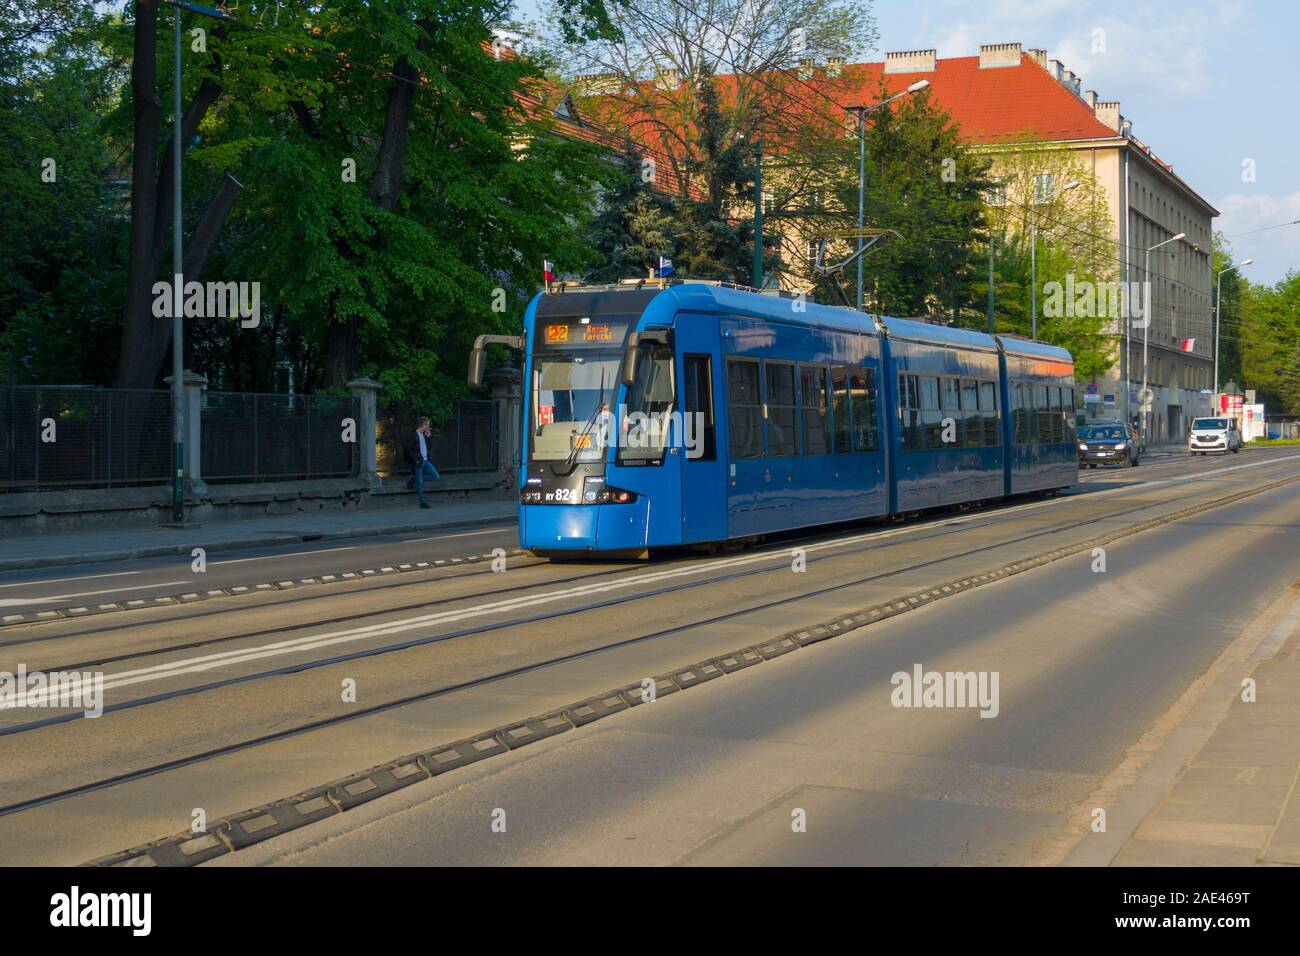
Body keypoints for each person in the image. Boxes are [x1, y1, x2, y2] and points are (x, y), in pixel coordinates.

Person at [403, 416, 440, 508]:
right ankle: (422, 502)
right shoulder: (414, 435)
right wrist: (416, 459)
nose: (428, 427)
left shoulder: (424, 434)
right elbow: (408, 448)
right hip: (419, 461)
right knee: (419, 483)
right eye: (427, 425)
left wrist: (428, 437)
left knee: (435, 476)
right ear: (423, 425)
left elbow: (429, 447)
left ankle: (415, 479)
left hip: (426, 460)